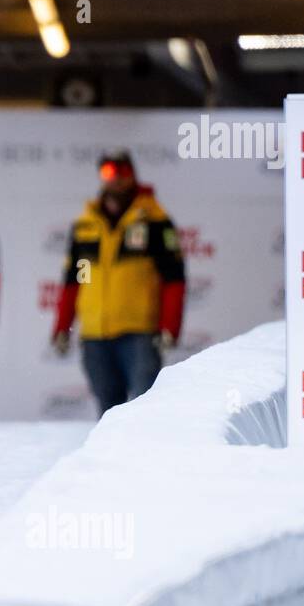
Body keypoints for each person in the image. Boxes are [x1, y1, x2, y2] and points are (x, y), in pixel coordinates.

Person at [50, 151, 186, 416]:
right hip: (95, 336)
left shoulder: (156, 221)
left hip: (140, 334)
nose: (115, 181)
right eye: (108, 174)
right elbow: (74, 281)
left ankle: (142, 458)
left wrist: (170, 326)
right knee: (107, 412)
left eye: (121, 173)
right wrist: (62, 327)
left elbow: (174, 280)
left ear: (132, 175)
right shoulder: (85, 224)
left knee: (143, 409)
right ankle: (110, 459)